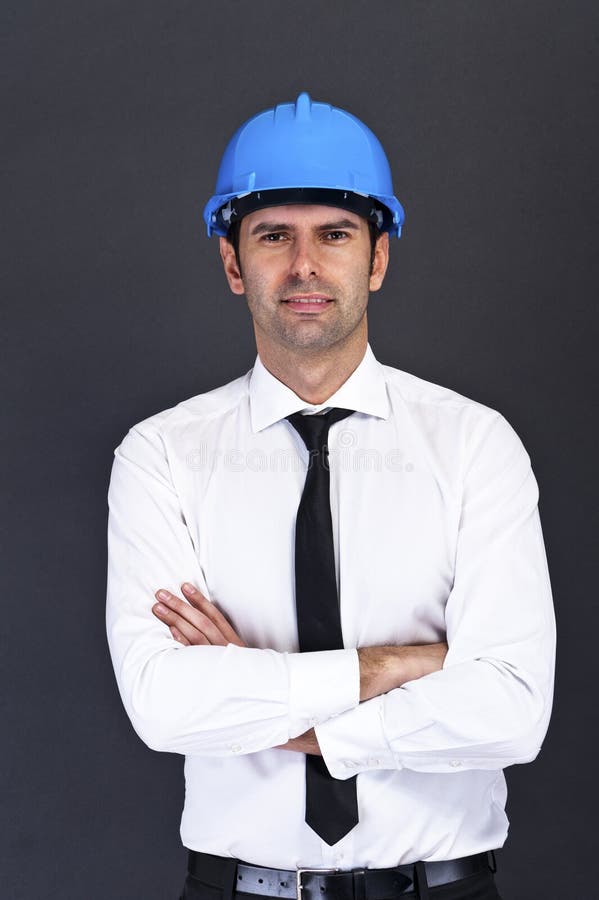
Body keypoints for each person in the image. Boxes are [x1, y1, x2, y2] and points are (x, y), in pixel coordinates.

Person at [106, 93, 555, 900]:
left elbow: (512, 711)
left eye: (335, 235)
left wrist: (266, 697)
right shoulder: (161, 455)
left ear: (377, 260)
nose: (304, 265)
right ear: (233, 264)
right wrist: (397, 667)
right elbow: (163, 706)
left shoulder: (473, 444)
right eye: (273, 236)